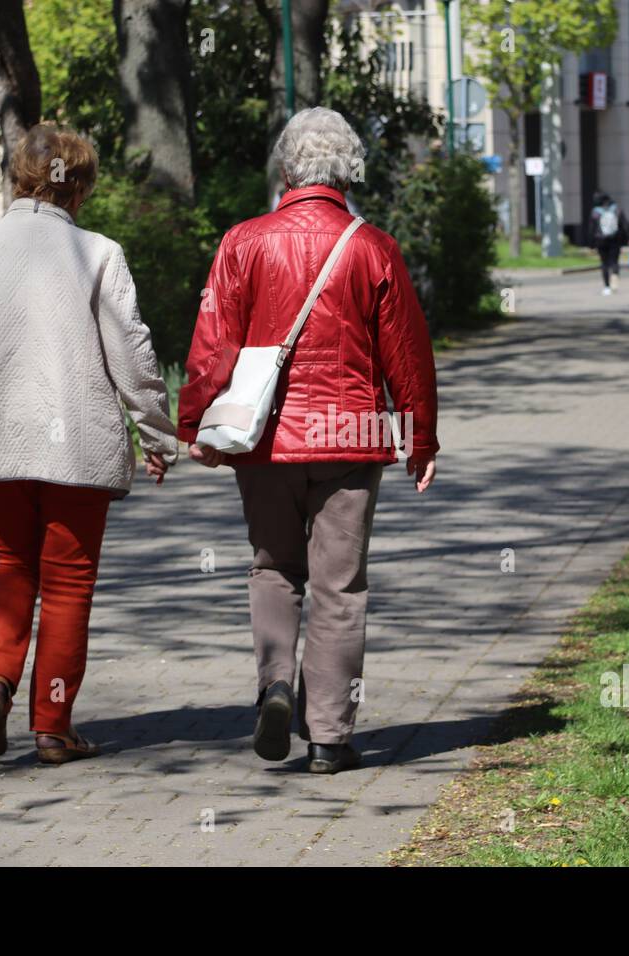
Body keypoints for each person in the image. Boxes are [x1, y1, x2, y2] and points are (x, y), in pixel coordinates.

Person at [177, 107, 439, 775]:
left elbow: (213, 345)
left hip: (265, 440)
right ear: (348, 168)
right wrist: (419, 438)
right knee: (340, 588)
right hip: (349, 438)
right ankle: (328, 737)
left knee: (273, 568)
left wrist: (193, 423)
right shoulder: (373, 247)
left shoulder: (243, 241)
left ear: (286, 168)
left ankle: (275, 687)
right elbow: (406, 353)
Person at [0, 124, 178, 765]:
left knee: (9, 568)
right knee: (67, 586)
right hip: (78, 450)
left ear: (19, 176)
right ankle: (53, 726)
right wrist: (157, 435)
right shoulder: (98, 253)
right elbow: (132, 354)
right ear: (81, 186)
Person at [589, 191, 629, 295]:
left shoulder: (595, 212)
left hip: (600, 240)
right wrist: (627, 239)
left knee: (604, 263)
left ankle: (607, 286)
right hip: (615, 239)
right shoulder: (617, 210)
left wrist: (592, 243)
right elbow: (625, 226)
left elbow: (592, 229)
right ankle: (614, 279)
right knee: (614, 261)